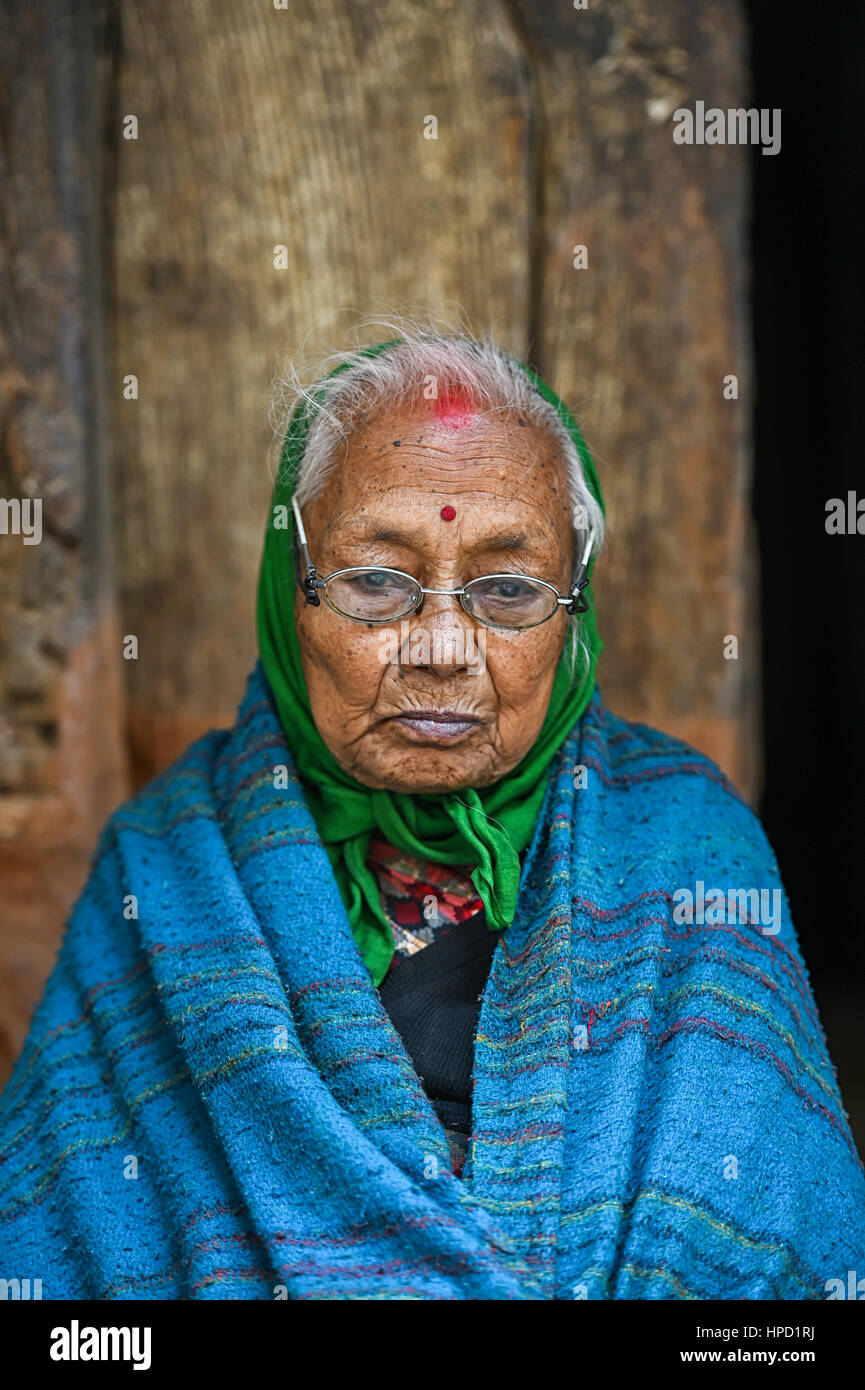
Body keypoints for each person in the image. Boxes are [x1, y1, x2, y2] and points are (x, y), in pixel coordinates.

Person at [0, 330, 862, 1300]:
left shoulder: (686, 845)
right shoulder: (168, 866)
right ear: (292, 592)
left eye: (506, 588)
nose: (444, 647)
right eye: (376, 581)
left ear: (573, 610)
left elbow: (766, 1262)